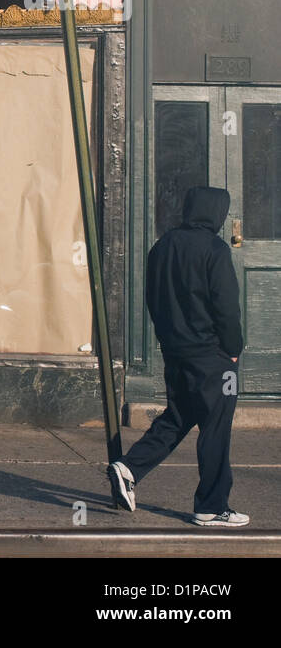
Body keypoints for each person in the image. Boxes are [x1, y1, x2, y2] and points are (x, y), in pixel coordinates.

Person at [107, 186, 247, 526]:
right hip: (213, 357)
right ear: (215, 213)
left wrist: (169, 339)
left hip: (175, 351)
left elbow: (153, 299)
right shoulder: (214, 250)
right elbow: (227, 309)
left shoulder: (162, 246)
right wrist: (232, 350)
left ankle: (130, 467)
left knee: (179, 417)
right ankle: (212, 506)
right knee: (216, 428)